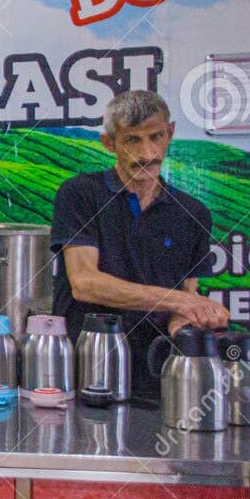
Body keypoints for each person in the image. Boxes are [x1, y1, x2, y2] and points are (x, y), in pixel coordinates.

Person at [51, 89, 229, 398]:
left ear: (170, 133)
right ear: (109, 143)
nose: (147, 154)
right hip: (88, 369)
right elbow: (84, 283)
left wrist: (188, 322)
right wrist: (183, 302)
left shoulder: (194, 214)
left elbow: (187, 294)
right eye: (132, 140)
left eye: (156, 137)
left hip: (159, 373)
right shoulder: (79, 194)